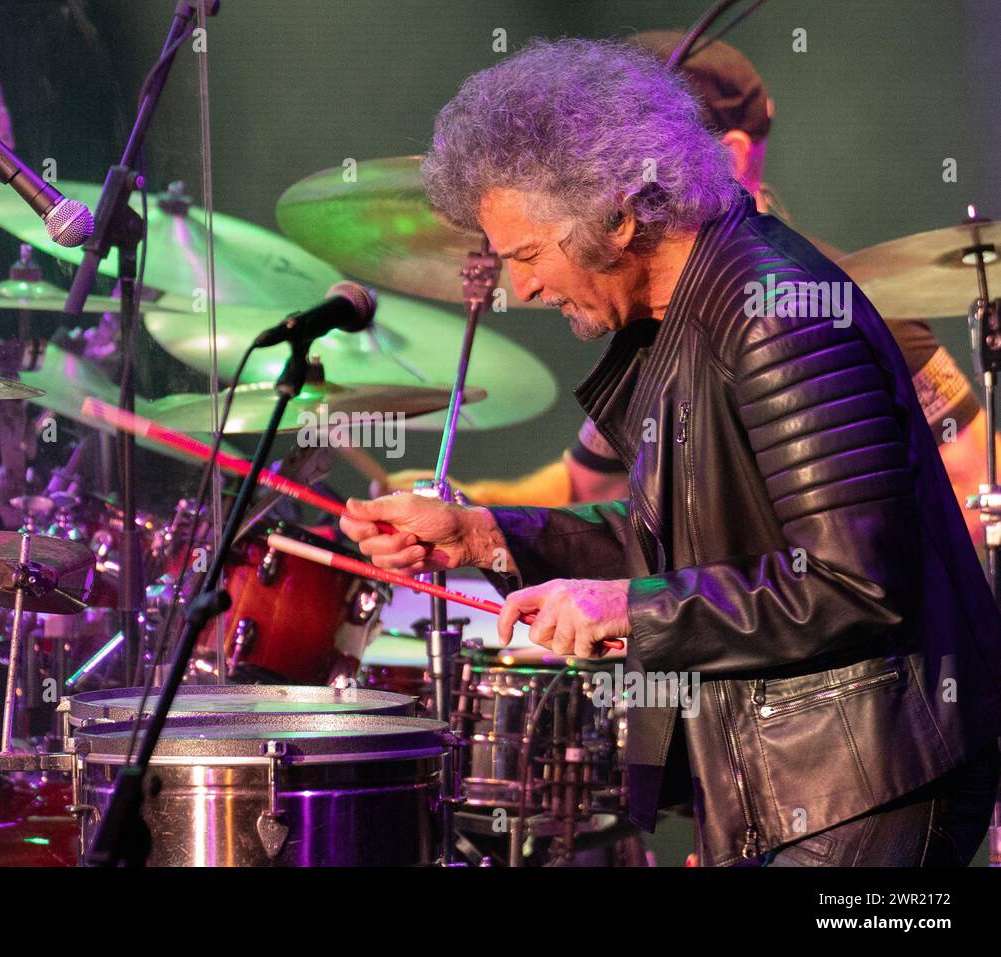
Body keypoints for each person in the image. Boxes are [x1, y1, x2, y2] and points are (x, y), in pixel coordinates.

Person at [343, 37, 1001, 867]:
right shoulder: (684, 318)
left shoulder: (774, 314)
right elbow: (691, 540)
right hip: (817, 782)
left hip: (866, 784)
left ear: (619, 216)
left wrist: (626, 607)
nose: (524, 291)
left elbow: (856, 582)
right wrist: (483, 534)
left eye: (528, 256)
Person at [382, 30, 994, 550]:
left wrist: (638, 611)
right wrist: (479, 524)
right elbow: (601, 492)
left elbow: (872, 560)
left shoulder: (796, 313)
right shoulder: (655, 314)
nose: (524, 285)